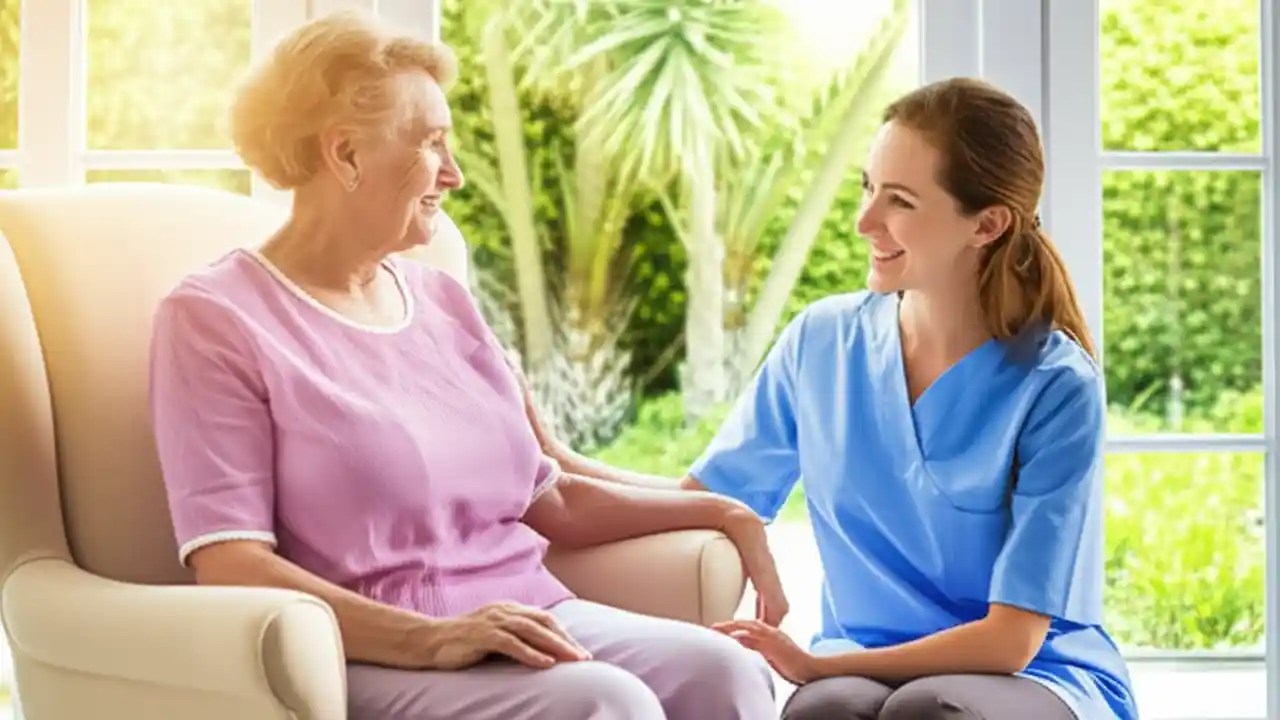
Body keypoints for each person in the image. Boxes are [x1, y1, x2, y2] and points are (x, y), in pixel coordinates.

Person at [146, 11, 782, 720]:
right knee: (605, 705)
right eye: (431, 144)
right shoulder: (215, 318)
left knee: (727, 672)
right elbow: (230, 564)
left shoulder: (442, 300)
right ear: (346, 154)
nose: (453, 174)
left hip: (525, 618)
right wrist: (432, 639)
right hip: (363, 651)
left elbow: (553, 497)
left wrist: (727, 511)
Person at [681, 78, 1139, 719]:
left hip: (1037, 674)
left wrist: (820, 665)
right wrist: (551, 467)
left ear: (987, 224)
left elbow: (1012, 640)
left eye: (899, 201)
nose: (865, 221)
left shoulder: (1056, 386)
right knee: (826, 712)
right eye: (869, 188)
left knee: (929, 712)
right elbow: (704, 500)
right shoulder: (822, 342)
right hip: (860, 656)